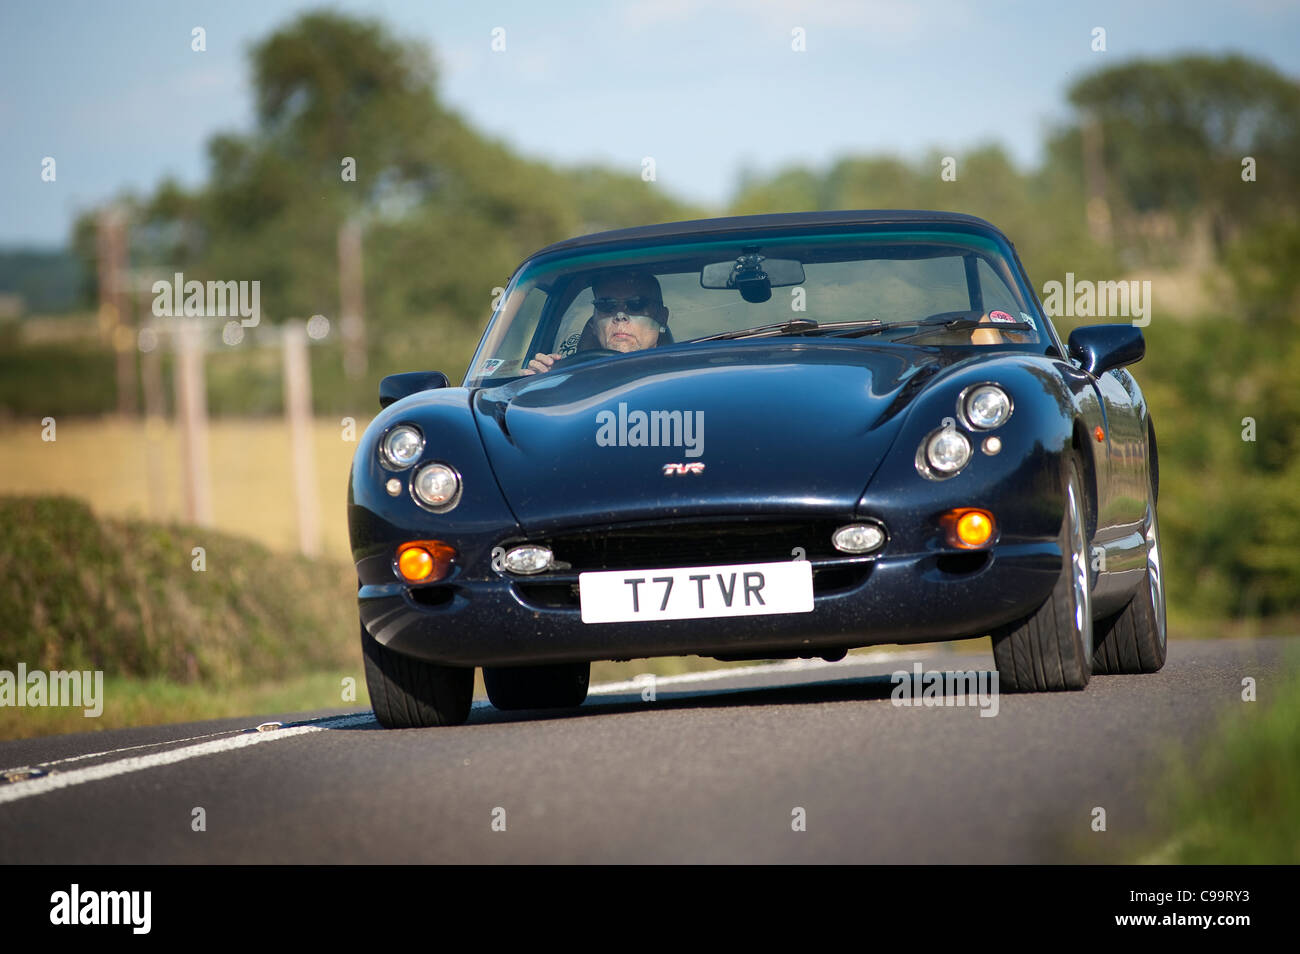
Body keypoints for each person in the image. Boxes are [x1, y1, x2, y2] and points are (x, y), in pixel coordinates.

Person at [521, 270, 670, 375]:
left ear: (662, 318)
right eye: (605, 305)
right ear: (594, 324)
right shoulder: (566, 378)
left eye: (636, 304)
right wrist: (538, 382)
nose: (620, 315)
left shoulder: (685, 374)